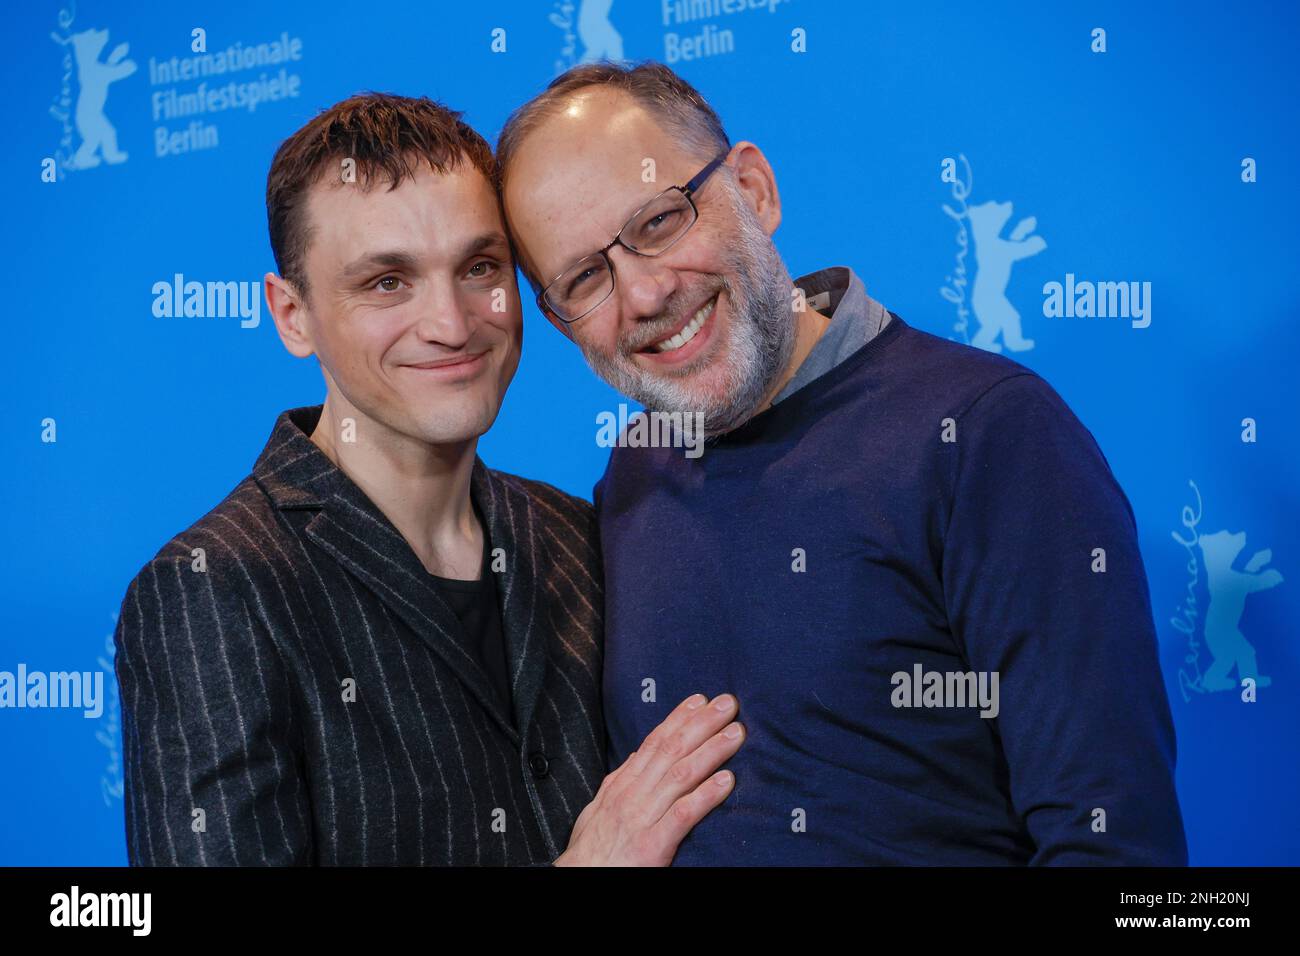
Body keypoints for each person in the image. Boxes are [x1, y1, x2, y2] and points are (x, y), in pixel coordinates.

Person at [496, 62, 1187, 865]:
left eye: (657, 221)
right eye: (585, 276)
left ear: (754, 189)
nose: (643, 295)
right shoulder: (635, 474)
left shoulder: (986, 432)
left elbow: (1116, 851)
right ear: (557, 320)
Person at [113, 92, 744, 866]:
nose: (451, 322)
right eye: (388, 282)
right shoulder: (211, 589)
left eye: (480, 267)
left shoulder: (581, 532)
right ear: (291, 315)